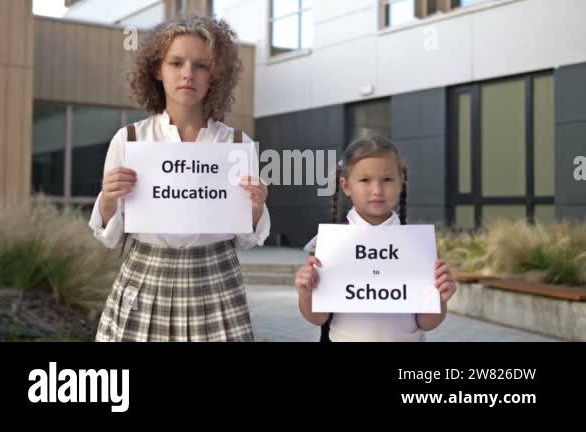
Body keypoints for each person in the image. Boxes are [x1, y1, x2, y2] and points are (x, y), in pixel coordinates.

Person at [89, 15, 269, 342]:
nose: (188, 73)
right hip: (144, 275)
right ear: (157, 70)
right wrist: (109, 199)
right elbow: (110, 237)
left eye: (201, 65)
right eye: (176, 62)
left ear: (215, 74)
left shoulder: (238, 145)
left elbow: (245, 239)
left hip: (216, 278)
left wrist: (256, 207)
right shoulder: (129, 139)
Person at [295, 135, 456, 342]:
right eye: (365, 180)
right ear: (345, 186)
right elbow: (318, 318)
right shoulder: (327, 245)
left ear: (401, 183)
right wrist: (306, 294)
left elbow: (425, 322)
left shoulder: (417, 246)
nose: (377, 190)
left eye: (387, 180)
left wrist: (440, 300)